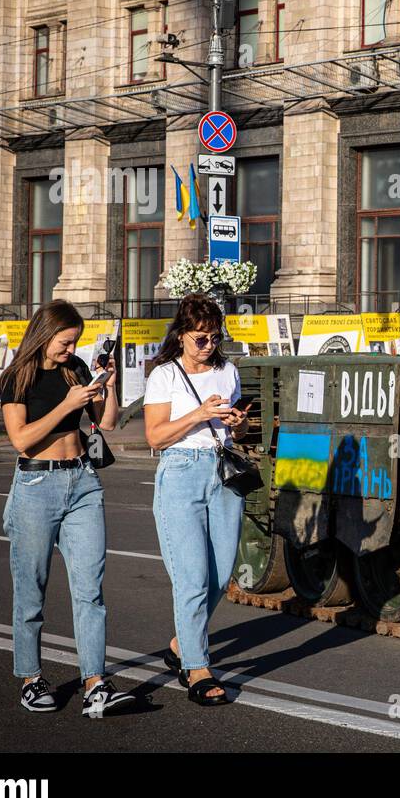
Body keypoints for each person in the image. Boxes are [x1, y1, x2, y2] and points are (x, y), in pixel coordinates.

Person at [0, 300, 136, 718]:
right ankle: (30, 677)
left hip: (82, 481)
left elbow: (106, 423)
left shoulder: (74, 367)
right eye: (65, 341)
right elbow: (20, 439)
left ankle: (96, 682)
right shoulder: (16, 377)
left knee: (90, 589)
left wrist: (106, 385)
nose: (70, 347)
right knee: (31, 591)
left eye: (74, 341)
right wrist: (66, 405)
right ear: (45, 333)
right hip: (36, 483)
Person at [143, 294, 251, 706]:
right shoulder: (165, 375)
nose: (208, 346)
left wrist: (237, 424)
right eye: (200, 338)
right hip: (181, 472)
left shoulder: (227, 371)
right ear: (182, 334)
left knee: (220, 575)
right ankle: (197, 668)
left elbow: (234, 431)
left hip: (221, 472)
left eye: (214, 337)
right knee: (189, 577)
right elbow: (155, 436)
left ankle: (180, 644)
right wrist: (199, 414)